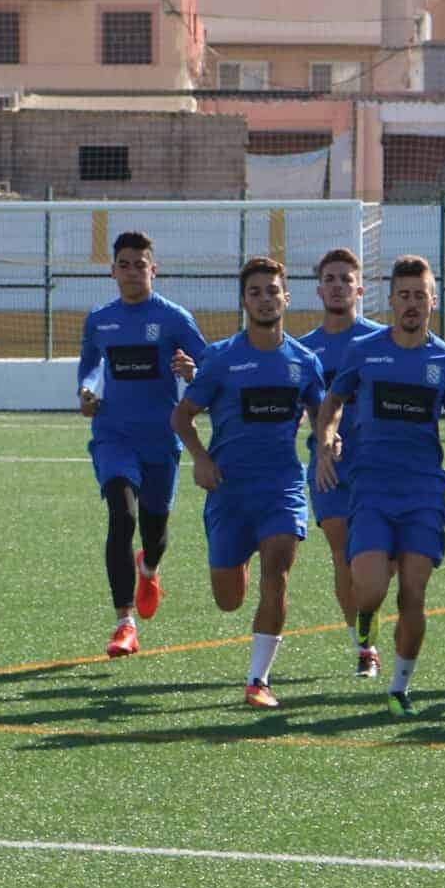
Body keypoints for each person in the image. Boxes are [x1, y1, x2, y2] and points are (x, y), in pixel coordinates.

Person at [313, 255, 445, 718]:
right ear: (390, 300)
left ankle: (401, 686)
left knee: (414, 594)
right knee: (369, 588)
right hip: (372, 487)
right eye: (403, 295)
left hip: (424, 491)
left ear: (432, 301)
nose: (411, 304)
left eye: (419, 296)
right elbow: (333, 402)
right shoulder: (365, 351)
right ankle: (365, 617)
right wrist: (326, 441)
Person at [173, 257, 326, 708]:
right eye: (255, 292)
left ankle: (258, 680)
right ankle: (234, 559)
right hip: (229, 489)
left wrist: (330, 441)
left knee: (276, 572)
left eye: (272, 290)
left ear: (286, 297)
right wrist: (200, 460)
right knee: (228, 599)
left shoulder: (305, 362)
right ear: (244, 301)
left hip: (282, 484)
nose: (265, 299)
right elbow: (182, 417)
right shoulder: (220, 359)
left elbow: (322, 414)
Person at [76, 231, 207, 659]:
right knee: (121, 514)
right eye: (124, 264)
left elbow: (208, 370)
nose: (132, 272)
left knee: (155, 531)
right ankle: (124, 624)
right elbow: (91, 368)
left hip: (160, 438)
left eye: (140, 264)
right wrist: (87, 392)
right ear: (112, 270)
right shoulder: (100, 320)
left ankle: (148, 568)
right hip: (114, 436)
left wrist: (191, 371)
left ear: (154, 269)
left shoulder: (173, 318)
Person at [295, 247, 387, 678]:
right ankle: (363, 646)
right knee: (342, 555)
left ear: (360, 289)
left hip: (377, 467)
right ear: (318, 289)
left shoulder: (380, 343)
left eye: (345, 279)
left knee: (382, 561)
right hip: (326, 468)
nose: (337, 286)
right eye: (330, 278)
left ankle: (370, 624)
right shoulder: (304, 349)